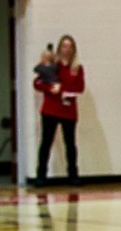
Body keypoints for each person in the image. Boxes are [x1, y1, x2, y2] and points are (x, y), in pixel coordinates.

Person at [34, 34, 85, 187]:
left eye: (70, 46)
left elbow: (79, 87)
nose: (66, 49)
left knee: (70, 143)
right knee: (46, 142)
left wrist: (62, 88)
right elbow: (38, 83)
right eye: (64, 46)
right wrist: (51, 88)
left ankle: (73, 175)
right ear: (59, 48)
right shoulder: (52, 65)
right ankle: (41, 175)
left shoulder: (77, 68)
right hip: (51, 109)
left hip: (68, 110)